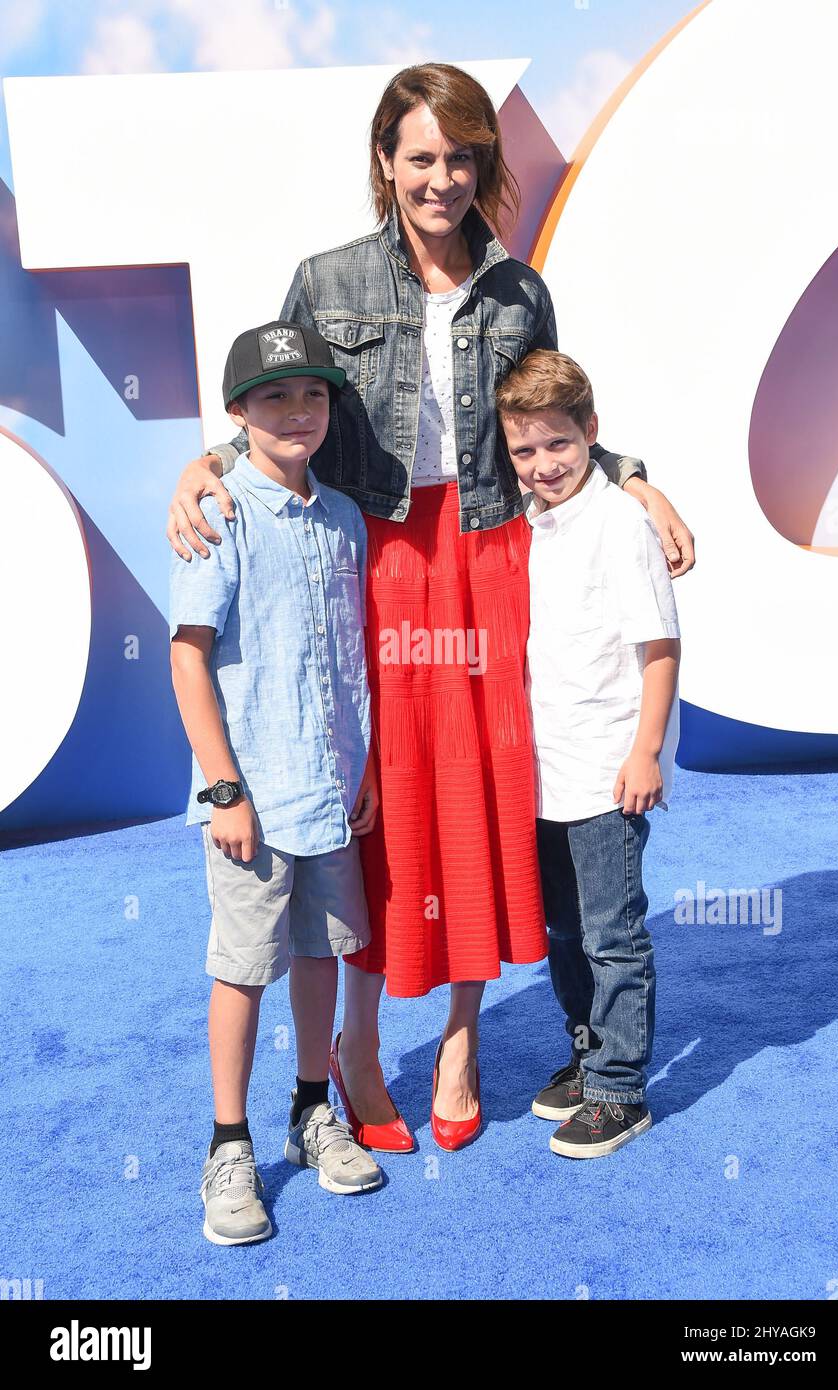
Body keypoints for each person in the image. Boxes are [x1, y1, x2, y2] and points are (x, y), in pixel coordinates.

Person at [166, 63, 695, 1153]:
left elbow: (551, 416)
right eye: (420, 157)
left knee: (490, 790)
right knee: (383, 794)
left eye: (460, 157)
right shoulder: (327, 275)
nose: (441, 178)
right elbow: (281, 398)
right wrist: (204, 464)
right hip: (386, 552)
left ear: (481, 165)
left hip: (496, 552)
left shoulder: (516, 287)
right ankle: (357, 1043)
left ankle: (457, 1038)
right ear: (384, 162)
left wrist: (630, 473)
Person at [169, 321, 384, 1246]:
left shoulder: (344, 517)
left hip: (332, 789)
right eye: (275, 398)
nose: (298, 412)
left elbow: (347, 659)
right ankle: (227, 1143)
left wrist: (364, 762)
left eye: (312, 396)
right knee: (242, 967)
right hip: (251, 803)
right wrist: (224, 791)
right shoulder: (220, 511)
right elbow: (189, 659)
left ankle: (309, 1110)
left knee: (320, 952)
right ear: (238, 415)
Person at [497, 349, 681, 1158]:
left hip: (609, 772)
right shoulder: (532, 520)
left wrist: (645, 754)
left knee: (613, 933)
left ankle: (621, 1089)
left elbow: (660, 646)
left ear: (592, 435)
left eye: (559, 446)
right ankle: (587, 1054)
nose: (543, 466)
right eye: (525, 451)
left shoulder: (621, 522)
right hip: (546, 772)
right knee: (564, 933)